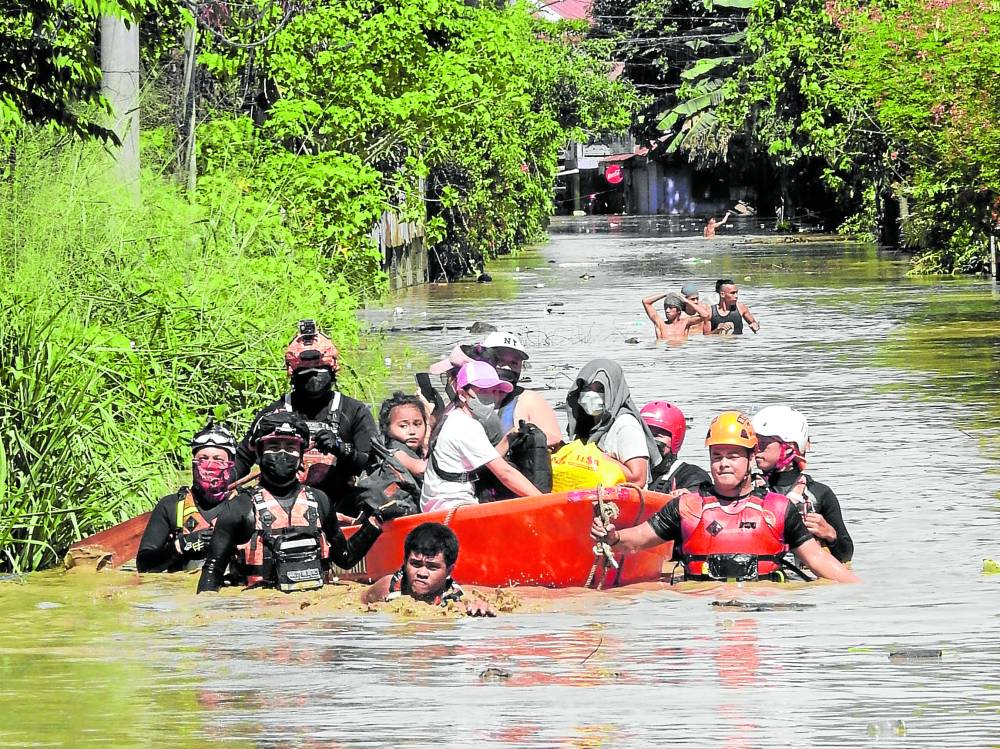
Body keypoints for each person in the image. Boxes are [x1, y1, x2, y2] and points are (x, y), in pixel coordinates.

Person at [590, 411, 860, 583]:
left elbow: (818, 560)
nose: (724, 464)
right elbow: (636, 540)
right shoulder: (686, 507)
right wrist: (612, 536)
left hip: (765, 607)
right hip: (701, 604)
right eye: (717, 456)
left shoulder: (778, 509)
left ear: (751, 458)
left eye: (733, 456)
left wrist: (861, 594)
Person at [198, 413, 382, 593]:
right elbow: (212, 572)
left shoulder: (320, 501)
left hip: (313, 611)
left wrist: (375, 522)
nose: (283, 453)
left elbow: (345, 558)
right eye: (274, 446)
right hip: (258, 613)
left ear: (302, 454)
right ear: (259, 452)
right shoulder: (239, 508)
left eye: (291, 447)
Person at [233, 320, 378, 517]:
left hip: (339, 507)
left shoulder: (354, 411)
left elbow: (373, 463)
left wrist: (341, 449)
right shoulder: (272, 414)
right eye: (305, 374)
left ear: (333, 371)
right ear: (292, 375)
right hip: (278, 508)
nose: (313, 379)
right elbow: (243, 458)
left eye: (319, 372)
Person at [420, 361, 541, 512]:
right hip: (450, 506)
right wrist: (543, 501)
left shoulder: (452, 414)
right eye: (483, 391)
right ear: (463, 394)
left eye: (495, 391)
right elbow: (505, 473)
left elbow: (486, 461)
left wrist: (508, 439)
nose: (492, 397)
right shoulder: (466, 425)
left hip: (437, 503)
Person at [751, 406, 854, 564]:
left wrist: (830, 534)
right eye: (755, 443)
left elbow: (846, 555)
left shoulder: (819, 494)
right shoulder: (746, 489)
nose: (757, 449)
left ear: (789, 448)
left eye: (764, 443)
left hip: (804, 579)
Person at [137, 422, 239, 573]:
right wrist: (182, 545)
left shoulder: (245, 504)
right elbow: (144, 565)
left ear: (230, 465)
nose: (209, 466)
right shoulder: (171, 506)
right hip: (182, 592)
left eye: (218, 460)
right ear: (193, 464)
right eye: (203, 459)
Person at [362, 522, 495, 616]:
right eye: (415, 564)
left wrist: (481, 608)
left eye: (432, 567)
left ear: (449, 570)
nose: (422, 573)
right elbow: (359, 602)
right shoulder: (386, 587)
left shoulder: (459, 600)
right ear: (404, 562)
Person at [566, 359, 660, 487]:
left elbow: (638, 478)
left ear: (613, 390)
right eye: (587, 388)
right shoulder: (587, 426)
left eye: (599, 388)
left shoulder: (626, 425)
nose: (591, 394)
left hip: (620, 503)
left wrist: (594, 456)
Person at [351, 393, 428, 519]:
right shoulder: (394, 450)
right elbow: (421, 469)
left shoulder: (417, 449)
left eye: (418, 424)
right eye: (403, 426)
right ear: (387, 428)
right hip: (397, 515)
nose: (412, 431)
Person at [481, 331, 562, 448]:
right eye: (499, 360)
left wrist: (524, 439)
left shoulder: (530, 400)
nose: (506, 367)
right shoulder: (465, 397)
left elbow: (557, 442)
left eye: (513, 362)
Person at [640, 401, 711, 494]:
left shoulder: (692, 476)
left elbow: (704, 494)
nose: (649, 441)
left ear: (675, 439)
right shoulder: (628, 472)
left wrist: (690, 495)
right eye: (645, 434)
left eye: (657, 435)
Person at [641, 291, 710, 341]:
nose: (667, 310)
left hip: (682, 354)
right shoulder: (660, 324)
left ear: (678, 311)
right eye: (666, 307)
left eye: (670, 308)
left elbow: (705, 315)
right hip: (664, 353)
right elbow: (645, 301)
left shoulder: (685, 323)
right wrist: (666, 293)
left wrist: (686, 301)